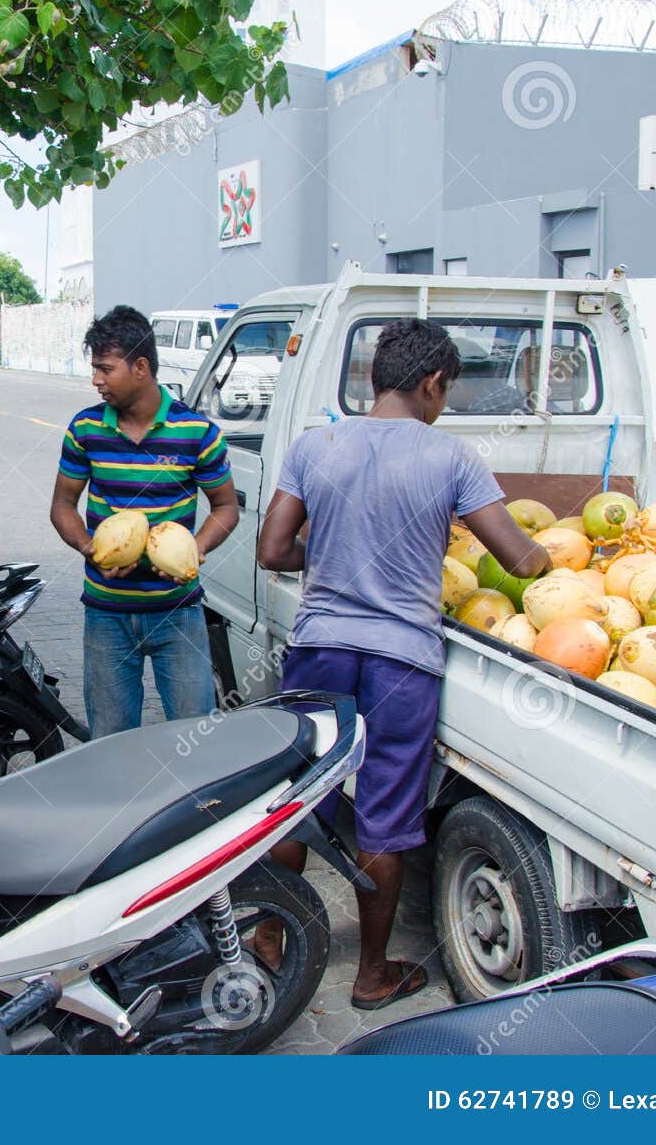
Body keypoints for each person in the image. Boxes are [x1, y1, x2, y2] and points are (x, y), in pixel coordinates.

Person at [253, 317, 550, 1008]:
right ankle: (372, 974)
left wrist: (329, 557)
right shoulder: (452, 458)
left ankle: (271, 935)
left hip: (320, 647)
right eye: (444, 393)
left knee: (301, 798)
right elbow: (518, 559)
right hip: (402, 661)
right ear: (432, 383)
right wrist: (548, 559)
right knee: (384, 817)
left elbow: (272, 549)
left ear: (372, 379)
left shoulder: (315, 445)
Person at [50, 305, 239, 738]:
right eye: (94, 368)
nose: (96, 380)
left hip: (179, 610)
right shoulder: (86, 429)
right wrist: (88, 549)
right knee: (110, 740)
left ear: (140, 367)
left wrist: (198, 547)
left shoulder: (197, 432)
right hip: (106, 613)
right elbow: (62, 504)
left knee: (195, 737)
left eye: (104, 368)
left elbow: (226, 507)